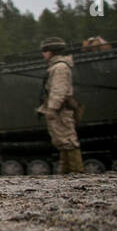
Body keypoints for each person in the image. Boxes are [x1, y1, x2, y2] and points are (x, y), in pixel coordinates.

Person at [39, 36, 83, 173]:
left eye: (45, 50)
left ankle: (76, 171)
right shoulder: (57, 67)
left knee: (68, 140)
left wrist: (52, 108)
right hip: (60, 109)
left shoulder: (60, 67)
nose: (43, 54)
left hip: (61, 110)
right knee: (62, 140)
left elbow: (59, 90)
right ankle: (67, 171)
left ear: (51, 51)